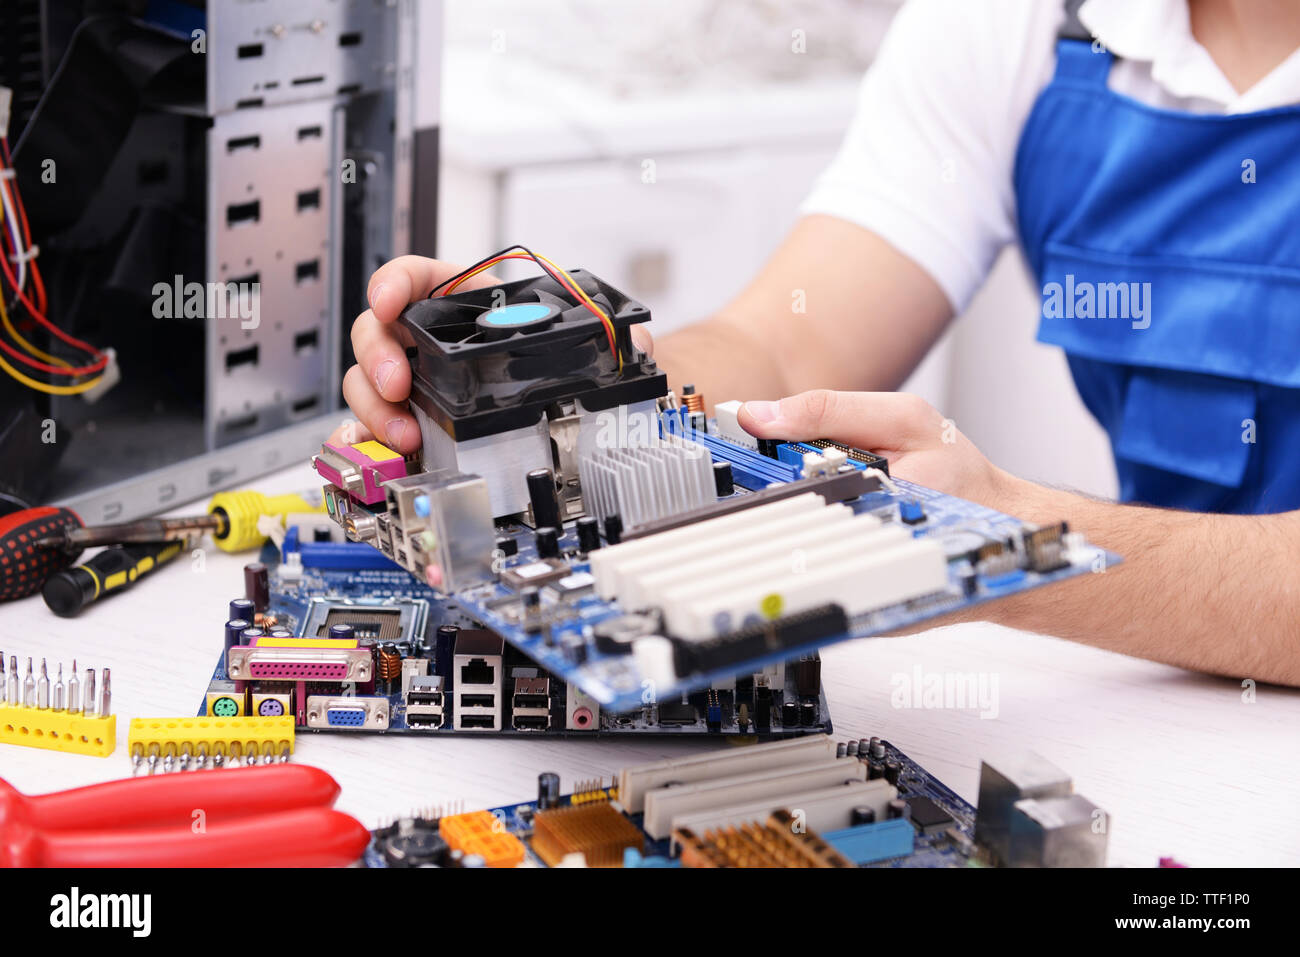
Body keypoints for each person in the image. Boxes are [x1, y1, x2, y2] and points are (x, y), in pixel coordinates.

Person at [338, 0, 1300, 687]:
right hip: (1170, 700)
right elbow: (788, 347)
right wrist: (539, 384)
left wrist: (1003, 533)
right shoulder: (1016, 24)